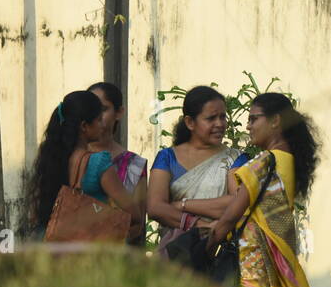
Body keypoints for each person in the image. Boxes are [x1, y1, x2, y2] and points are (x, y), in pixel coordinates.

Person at [203, 93, 316, 287]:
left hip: (252, 268)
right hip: (275, 266)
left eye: (254, 119)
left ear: (275, 121)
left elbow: (230, 217)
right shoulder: (288, 160)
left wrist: (206, 251)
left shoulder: (265, 162)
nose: (248, 126)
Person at [28, 90, 143, 240]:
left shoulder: (50, 157)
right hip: (84, 252)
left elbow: (35, 212)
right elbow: (134, 214)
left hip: (49, 246)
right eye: (99, 120)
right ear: (84, 126)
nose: (103, 125)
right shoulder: (97, 163)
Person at [147, 86, 241, 258]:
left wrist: (181, 205)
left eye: (222, 117)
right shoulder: (167, 158)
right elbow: (155, 207)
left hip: (219, 256)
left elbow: (236, 203)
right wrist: (199, 226)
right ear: (190, 122)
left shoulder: (234, 158)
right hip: (176, 255)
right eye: (211, 118)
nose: (220, 124)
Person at [88, 82, 148, 241]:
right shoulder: (74, 157)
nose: (97, 117)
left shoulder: (134, 164)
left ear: (119, 112)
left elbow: (138, 224)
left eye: (103, 109)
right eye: (91, 110)